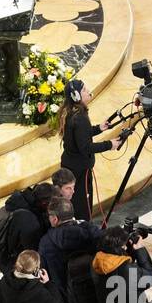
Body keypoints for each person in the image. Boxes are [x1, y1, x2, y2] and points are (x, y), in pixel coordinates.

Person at [58, 78, 126, 219]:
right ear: (76, 96)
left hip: (71, 166)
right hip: (79, 170)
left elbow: (79, 136)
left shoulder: (71, 112)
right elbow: (85, 147)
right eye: (84, 90)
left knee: (74, 203)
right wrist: (109, 145)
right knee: (82, 207)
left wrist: (99, 129)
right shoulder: (80, 117)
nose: (88, 91)